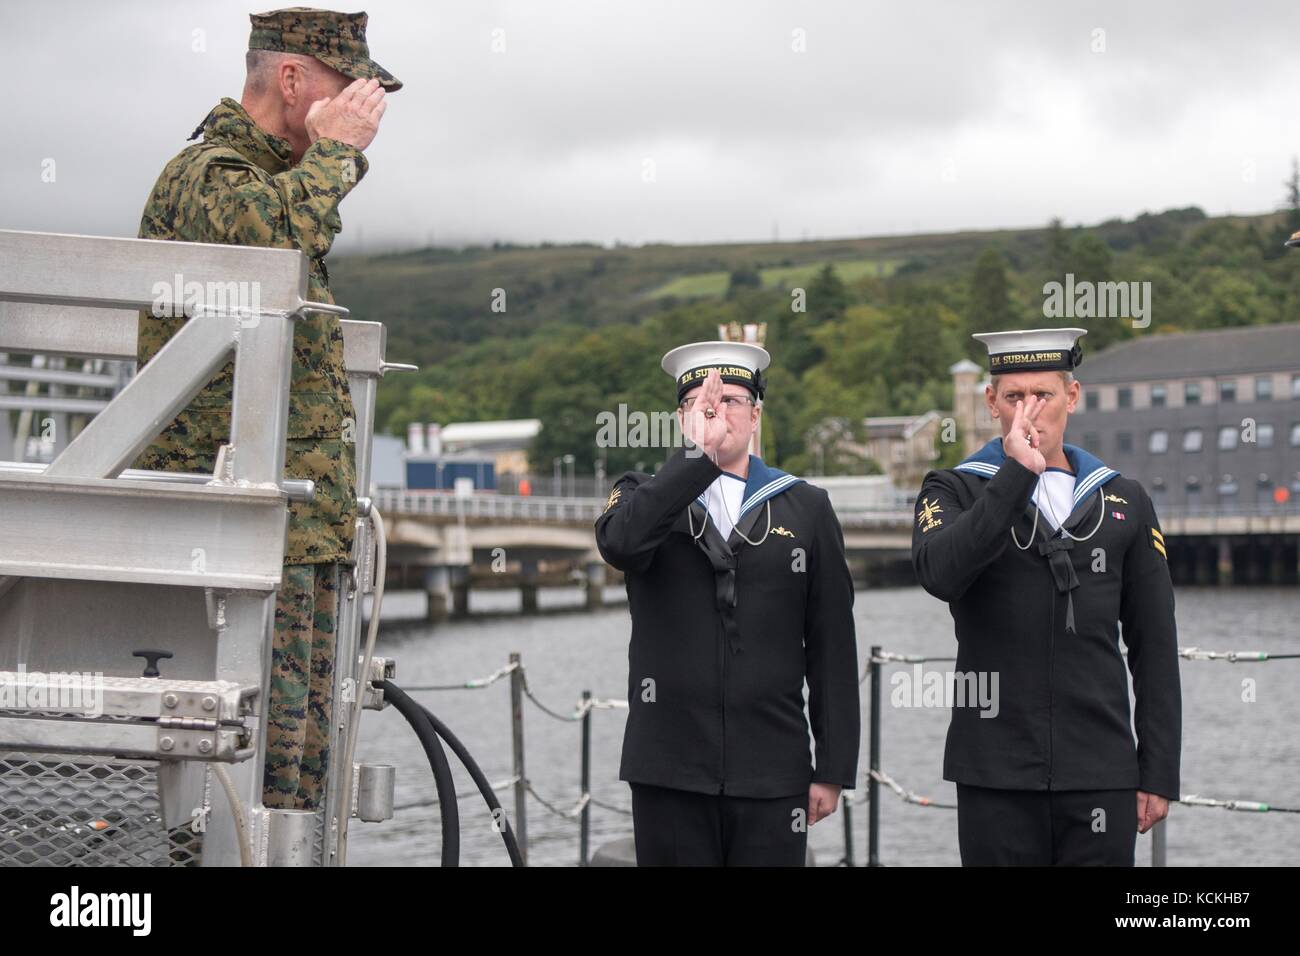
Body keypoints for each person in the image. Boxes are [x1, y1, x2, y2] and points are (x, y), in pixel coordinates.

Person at [131, 7, 400, 811]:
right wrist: (338, 155)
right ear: (292, 79)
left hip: (294, 536)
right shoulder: (209, 174)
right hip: (234, 544)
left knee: (295, 780)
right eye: (348, 88)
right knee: (242, 786)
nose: (364, 109)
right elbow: (267, 249)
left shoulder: (273, 182)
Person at [911, 327, 1181, 865]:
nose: (1028, 411)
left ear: (1073, 398)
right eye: (1013, 397)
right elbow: (941, 573)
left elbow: (1154, 645)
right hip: (995, 772)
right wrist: (1015, 476)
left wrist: (1157, 771)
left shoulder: (1123, 498)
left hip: (1101, 769)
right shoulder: (953, 489)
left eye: (1044, 395)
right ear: (991, 403)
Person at [595, 341, 860, 866]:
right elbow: (620, 546)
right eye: (701, 402)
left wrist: (832, 767)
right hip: (669, 769)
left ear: (757, 414)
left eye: (734, 399)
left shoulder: (806, 506)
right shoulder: (640, 495)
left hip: (773, 769)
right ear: (681, 418)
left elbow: (831, 642)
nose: (718, 411)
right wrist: (697, 459)